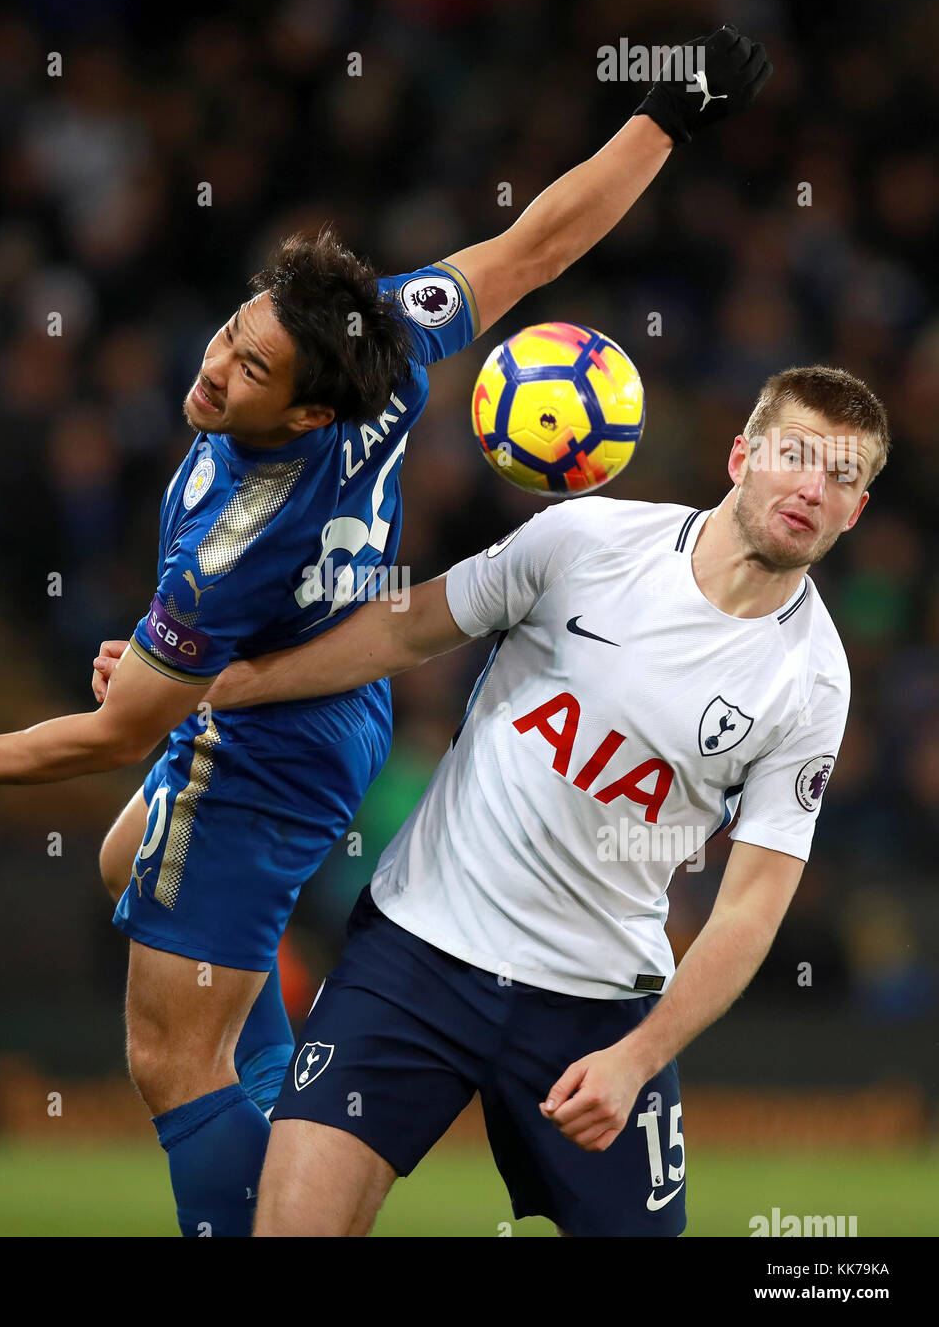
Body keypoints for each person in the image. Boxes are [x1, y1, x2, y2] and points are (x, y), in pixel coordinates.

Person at [0, 28, 771, 1237]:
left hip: (265, 747)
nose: (211, 372)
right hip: (328, 705)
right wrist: (665, 121)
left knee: (170, 1059)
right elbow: (539, 242)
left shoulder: (233, 537)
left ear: (307, 407)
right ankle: (287, 1127)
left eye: (244, 369)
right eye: (228, 333)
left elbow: (117, 732)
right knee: (122, 865)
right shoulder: (383, 344)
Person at [212, 366, 889, 1237]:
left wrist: (636, 1059)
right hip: (417, 954)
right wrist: (223, 684)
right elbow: (404, 627)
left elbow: (753, 906)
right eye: (795, 454)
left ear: (856, 511)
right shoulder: (587, 539)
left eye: (843, 476)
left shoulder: (813, 683)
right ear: (740, 456)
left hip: (597, 1008)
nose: (812, 487)